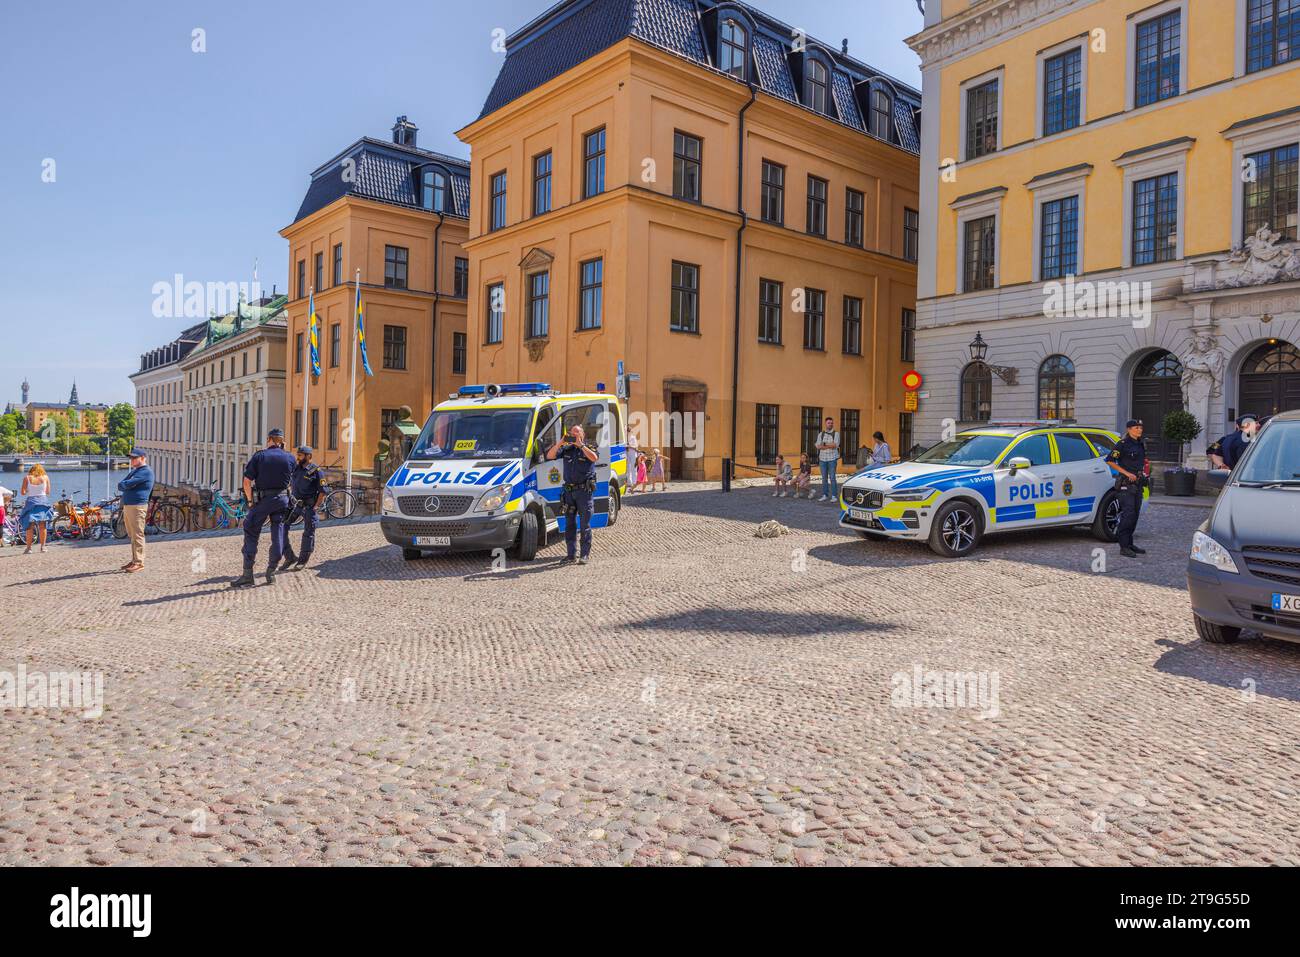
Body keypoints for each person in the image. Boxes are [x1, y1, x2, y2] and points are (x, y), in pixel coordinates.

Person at [231, 427, 297, 587]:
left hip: (263, 500)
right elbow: (293, 481)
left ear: (269, 439)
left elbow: (247, 481)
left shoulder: (260, 456)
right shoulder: (290, 457)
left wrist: (250, 501)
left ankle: (248, 574)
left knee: (251, 531)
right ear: (281, 441)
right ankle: (271, 571)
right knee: (278, 532)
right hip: (282, 500)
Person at [546, 423, 599, 565]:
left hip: (584, 492)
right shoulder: (566, 449)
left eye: (577, 433)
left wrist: (581, 445)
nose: (574, 435)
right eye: (572, 433)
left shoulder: (590, 446)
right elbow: (550, 456)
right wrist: (561, 442)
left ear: (582, 435)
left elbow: (594, 458)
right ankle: (571, 555)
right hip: (569, 492)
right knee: (569, 525)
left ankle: (584, 555)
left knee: (584, 524)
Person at [1106, 419, 1150, 558]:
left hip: (1138, 484)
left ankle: (1130, 543)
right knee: (1128, 514)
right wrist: (1126, 473)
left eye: (1140, 427)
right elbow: (1109, 460)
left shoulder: (1140, 443)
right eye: (1136, 428)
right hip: (1126, 484)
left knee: (1135, 514)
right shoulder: (1122, 444)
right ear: (1129, 429)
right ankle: (1123, 546)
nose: (1139, 430)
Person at [279, 445, 323, 571]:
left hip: (309, 507)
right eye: (298, 455)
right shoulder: (296, 469)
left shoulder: (316, 471)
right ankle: (290, 556)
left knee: (308, 533)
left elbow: (322, 491)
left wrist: (316, 506)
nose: (298, 457)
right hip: (295, 505)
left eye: (300, 455)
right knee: (282, 526)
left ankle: (302, 560)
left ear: (309, 456)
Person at [117, 448, 155, 572]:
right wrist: (125, 485)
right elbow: (122, 484)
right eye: (131, 458)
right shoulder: (136, 471)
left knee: (138, 534)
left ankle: (139, 562)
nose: (132, 460)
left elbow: (125, 484)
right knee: (132, 534)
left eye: (134, 458)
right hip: (130, 505)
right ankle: (134, 560)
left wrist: (125, 485)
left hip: (137, 506)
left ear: (143, 458)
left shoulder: (145, 472)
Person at [19, 464, 54, 554]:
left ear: (31, 470)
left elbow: (22, 492)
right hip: (43, 502)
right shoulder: (46, 477)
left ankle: (29, 548)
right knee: (43, 526)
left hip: (31, 502)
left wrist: (28, 490)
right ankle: (43, 547)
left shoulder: (27, 478)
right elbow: (48, 492)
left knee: (29, 527)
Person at [815, 417, 840, 501]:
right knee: (824, 478)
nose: (830, 424)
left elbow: (835, 445)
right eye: (829, 423)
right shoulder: (820, 434)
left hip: (832, 459)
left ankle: (834, 496)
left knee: (832, 477)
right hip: (822, 459)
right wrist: (829, 445)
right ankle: (825, 495)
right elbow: (818, 446)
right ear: (825, 424)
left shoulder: (836, 434)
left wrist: (824, 444)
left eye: (831, 423)